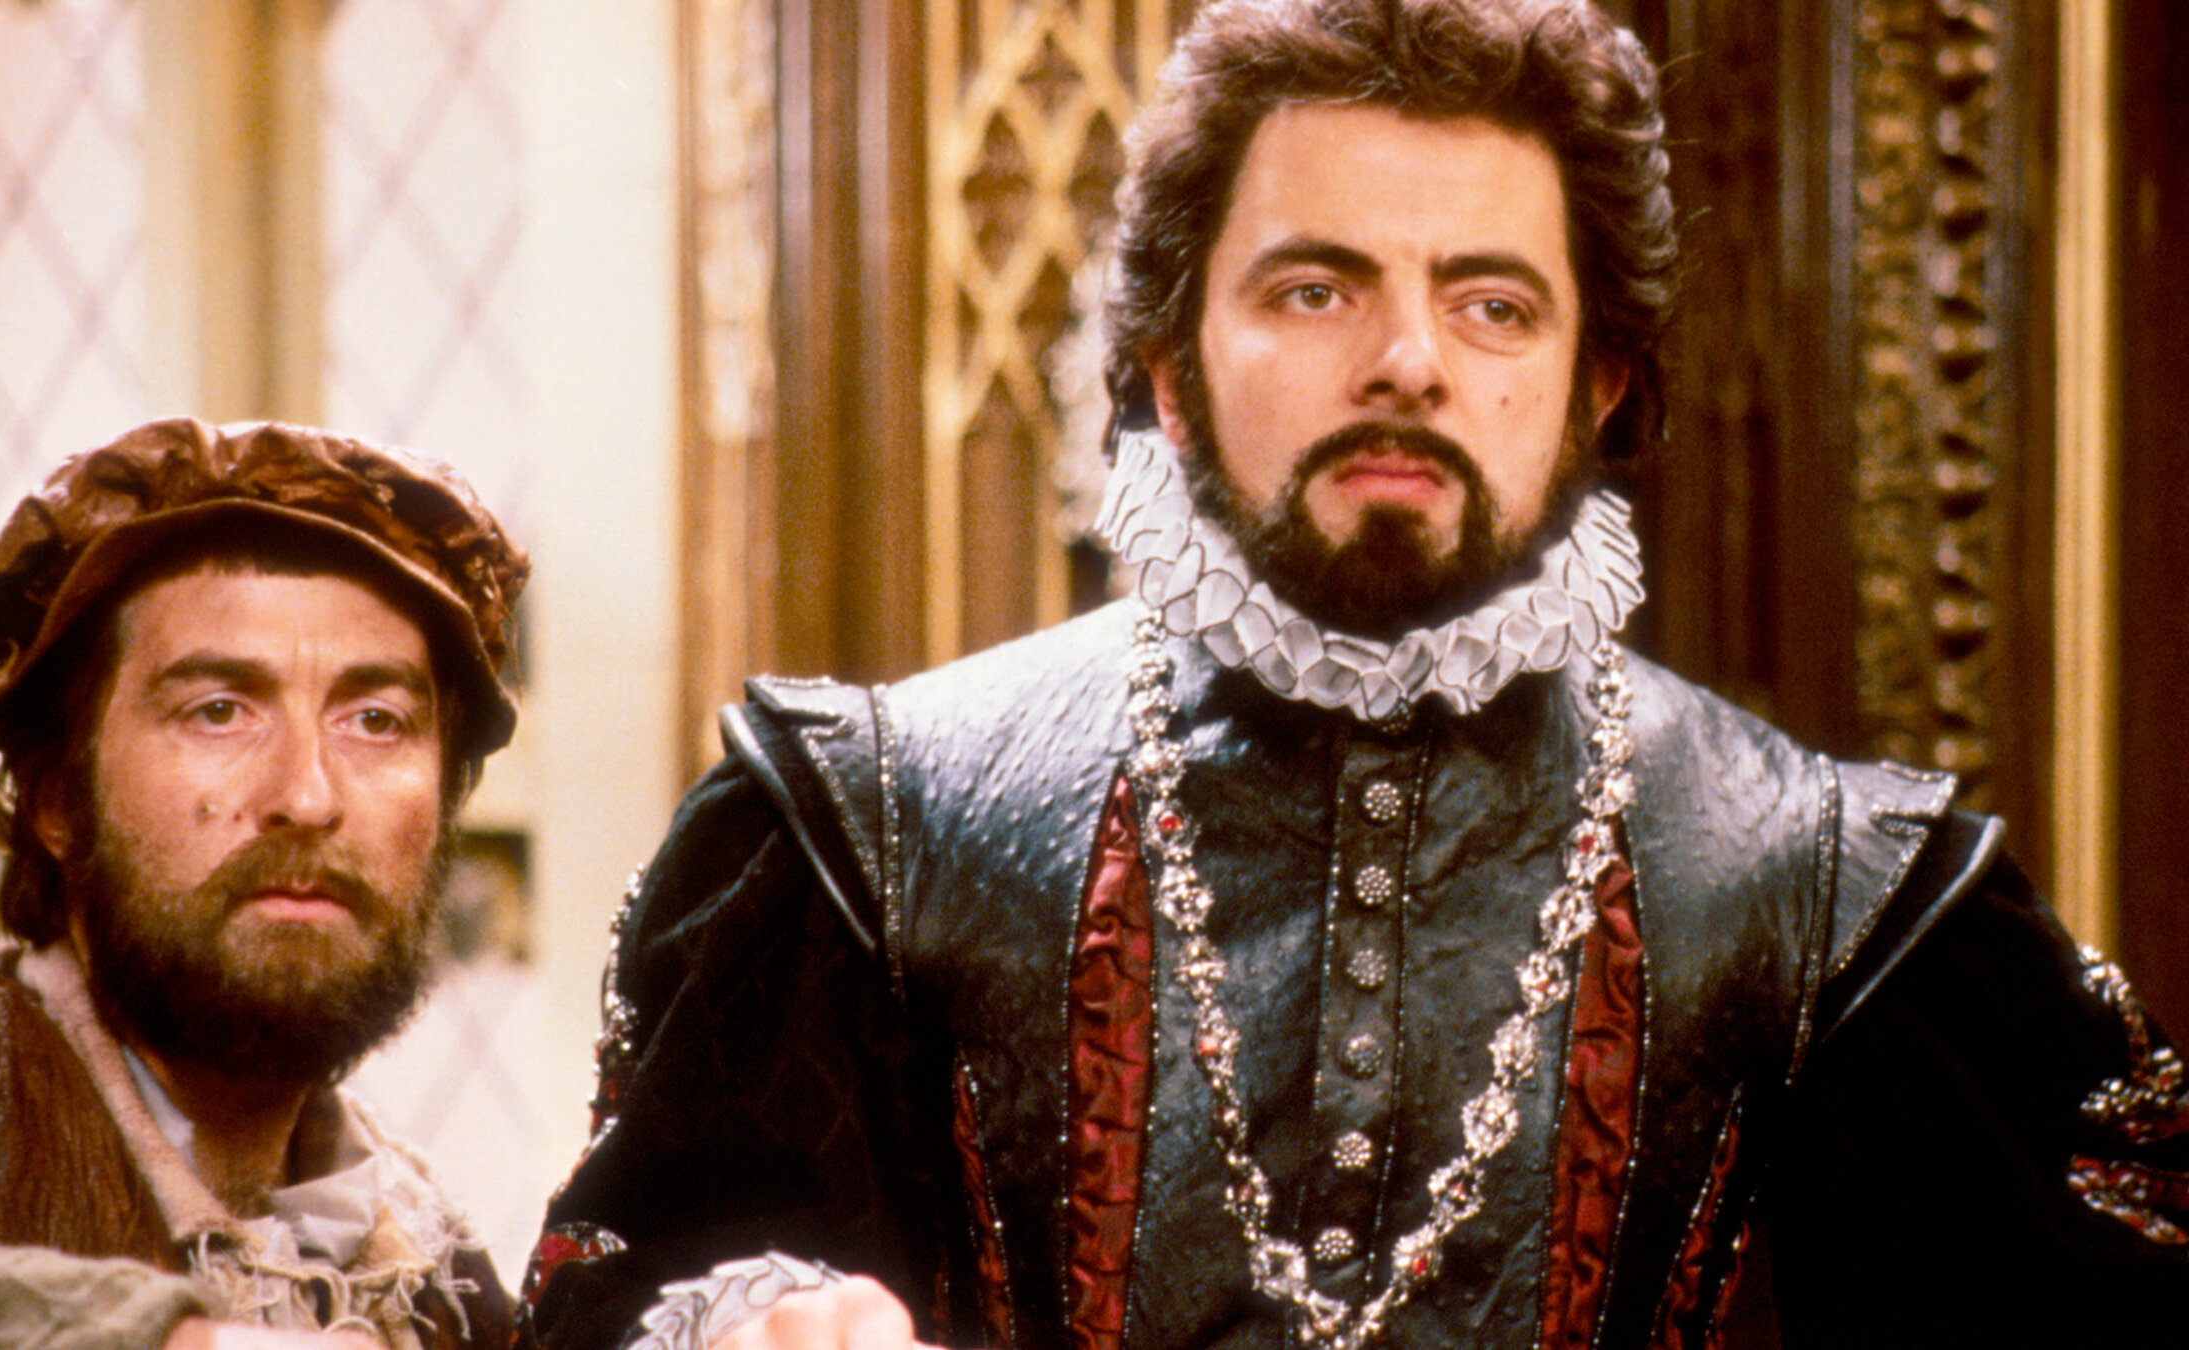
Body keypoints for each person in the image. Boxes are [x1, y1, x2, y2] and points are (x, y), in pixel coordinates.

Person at [521, 1, 2189, 1347]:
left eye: (1494, 305)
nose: (1407, 360)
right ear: (1169, 368)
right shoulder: (874, 833)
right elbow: (618, 1281)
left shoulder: (1828, 895)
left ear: (1601, 382)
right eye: (1316, 290)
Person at [0, 418, 530, 1350]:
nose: (308, 796)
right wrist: (170, 1340)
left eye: (376, 721)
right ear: (57, 796)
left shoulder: (429, 1274)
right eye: (218, 712)